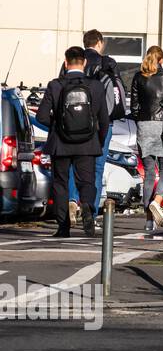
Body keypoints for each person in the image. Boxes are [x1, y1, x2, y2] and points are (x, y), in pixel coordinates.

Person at [37, 47, 110, 238]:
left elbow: (42, 116)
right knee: (86, 181)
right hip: (87, 143)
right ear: (84, 62)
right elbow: (104, 121)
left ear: (65, 62)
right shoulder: (96, 86)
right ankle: (86, 205)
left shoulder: (55, 85)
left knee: (61, 183)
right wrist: (98, 141)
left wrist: (59, 124)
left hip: (60, 143)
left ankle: (63, 227)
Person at [68, 28, 125, 220]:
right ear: (99, 43)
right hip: (102, 122)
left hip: (76, 122)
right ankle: (89, 212)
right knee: (97, 167)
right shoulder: (107, 63)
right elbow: (116, 93)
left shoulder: (75, 61)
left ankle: (73, 200)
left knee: (75, 164)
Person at [131, 45, 163, 232]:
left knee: (149, 173)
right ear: (160, 60)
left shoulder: (137, 77)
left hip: (144, 126)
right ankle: (158, 200)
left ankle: (148, 220)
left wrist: (142, 122)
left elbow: (134, 107)